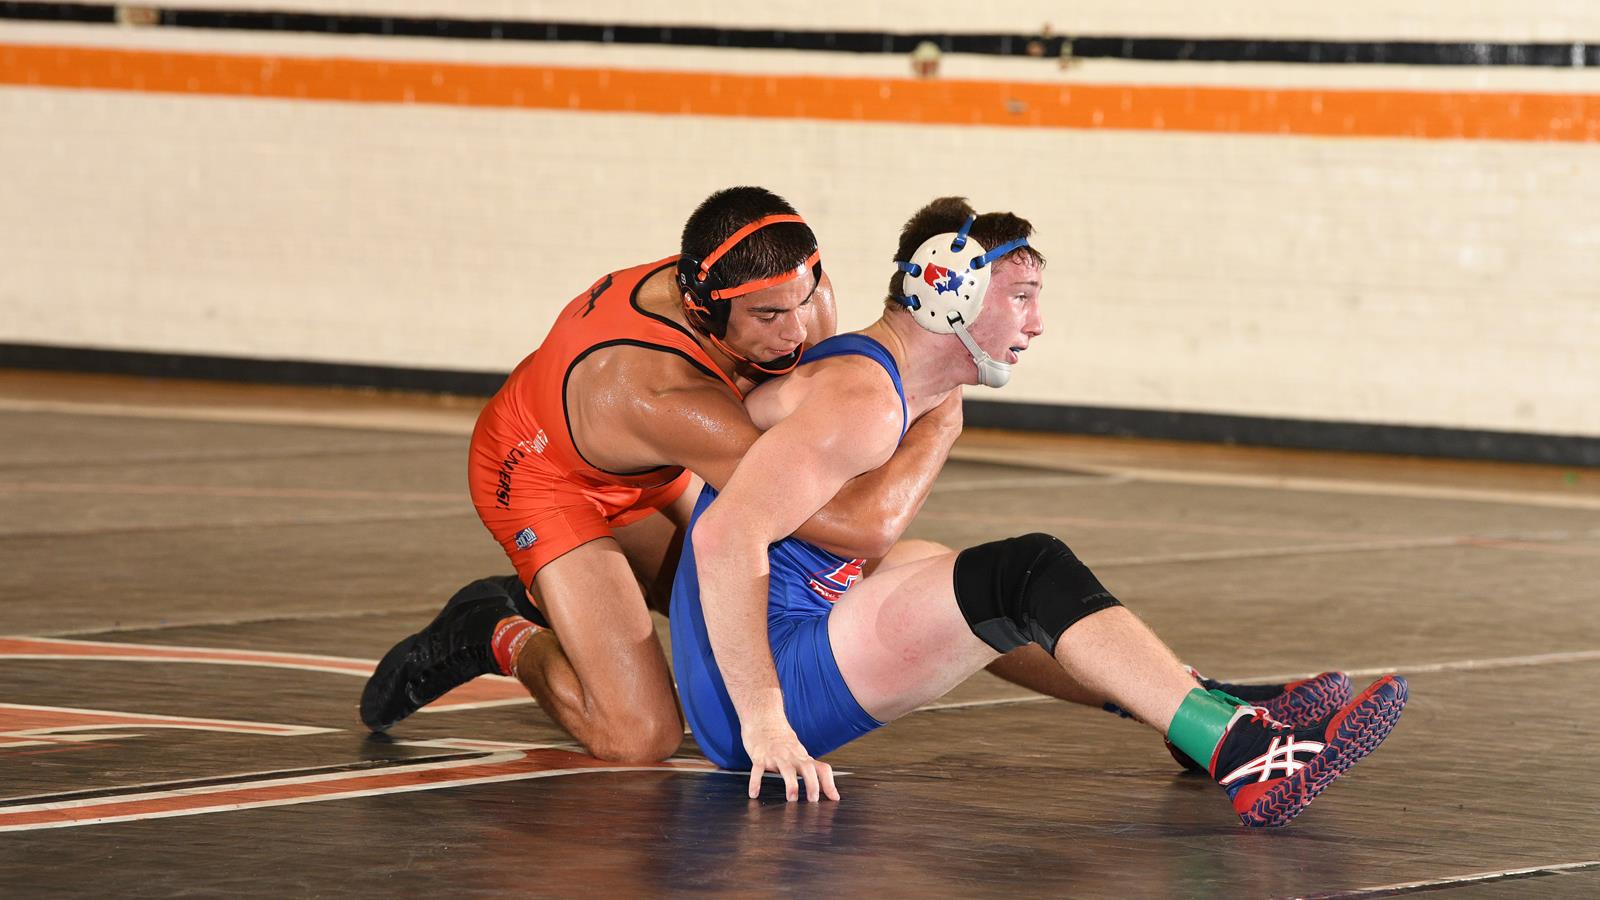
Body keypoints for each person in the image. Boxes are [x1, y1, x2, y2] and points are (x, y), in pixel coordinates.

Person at [359, 187, 1352, 770]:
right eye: (768, 324)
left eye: (808, 302)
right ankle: (498, 628)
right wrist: (936, 420)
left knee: (937, 606)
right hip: (547, 474)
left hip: (667, 459)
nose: (799, 334)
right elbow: (845, 523)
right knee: (640, 732)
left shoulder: (751, 267)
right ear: (711, 318)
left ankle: (1171, 701)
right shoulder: (663, 392)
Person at [668, 198, 1407, 827]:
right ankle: (1246, 754)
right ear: (949, 293)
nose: (1038, 321)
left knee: (938, 567)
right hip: (758, 690)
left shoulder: (896, 387)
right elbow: (730, 536)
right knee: (1022, 572)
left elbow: (861, 530)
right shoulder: (864, 398)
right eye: (1020, 294)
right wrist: (766, 722)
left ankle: (1193, 708)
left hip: (770, 644)